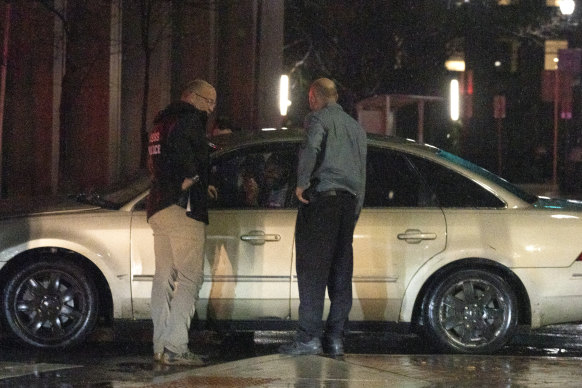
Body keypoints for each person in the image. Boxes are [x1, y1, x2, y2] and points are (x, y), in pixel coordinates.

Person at [279, 78, 367, 357]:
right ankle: (335, 338)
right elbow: (362, 176)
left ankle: (308, 338)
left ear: (315, 97)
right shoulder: (357, 128)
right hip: (347, 205)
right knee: (341, 274)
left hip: (322, 203)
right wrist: (354, 212)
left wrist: (301, 182)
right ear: (336, 96)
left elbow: (311, 149)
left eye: (309, 98)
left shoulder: (317, 119)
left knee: (312, 273)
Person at [146, 79, 218, 366]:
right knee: (189, 278)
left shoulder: (160, 122)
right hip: (182, 208)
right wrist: (192, 178)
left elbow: (158, 161)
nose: (210, 108)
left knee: (163, 276)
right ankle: (176, 347)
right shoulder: (189, 120)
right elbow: (182, 153)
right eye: (207, 100)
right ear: (191, 96)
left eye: (214, 103)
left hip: (158, 206)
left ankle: (161, 345)